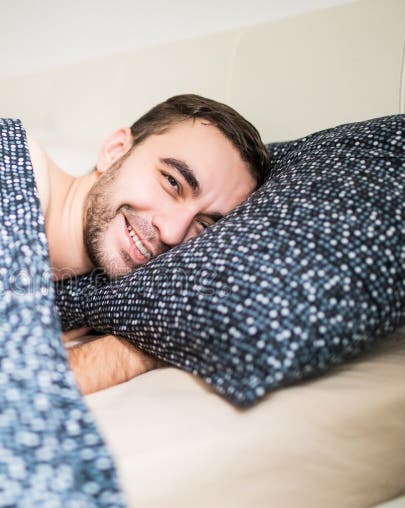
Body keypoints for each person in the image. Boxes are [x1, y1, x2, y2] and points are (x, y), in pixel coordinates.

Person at [26, 94, 270, 394]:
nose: (172, 232)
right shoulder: (19, 174)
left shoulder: (87, 298)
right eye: (172, 182)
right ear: (115, 151)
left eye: (203, 225)